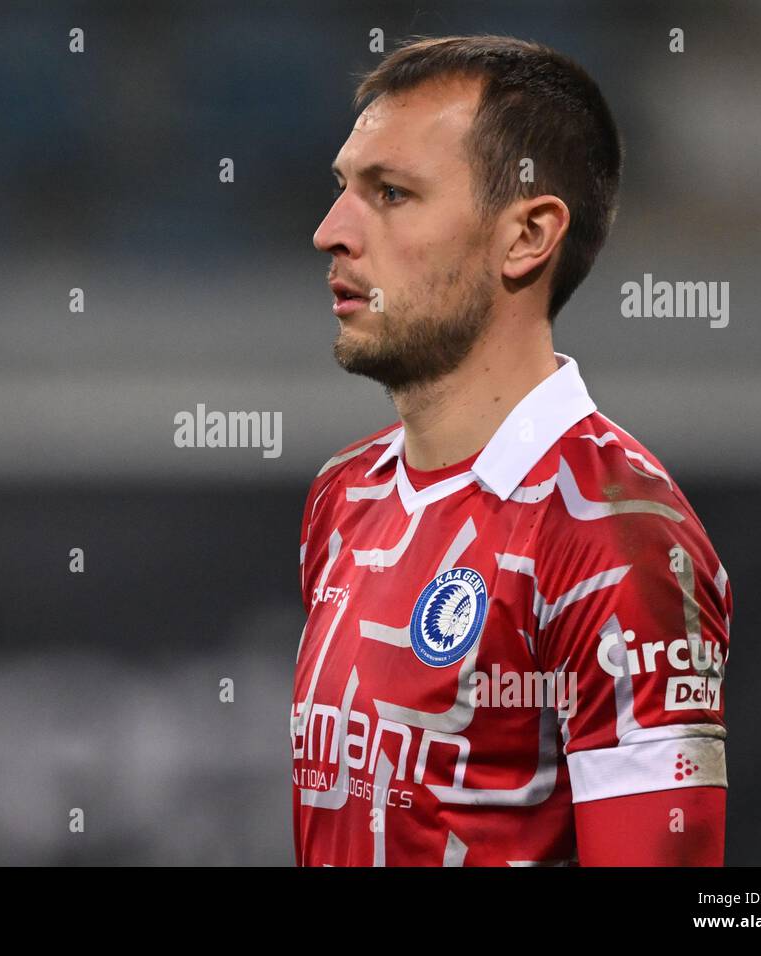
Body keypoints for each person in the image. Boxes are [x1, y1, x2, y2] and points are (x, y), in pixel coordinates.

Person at [294, 34, 730, 866]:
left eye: (390, 193)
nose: (329, 233)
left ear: (527, 236)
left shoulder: (614, 538)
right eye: (342, 189)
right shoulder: (345, 495)